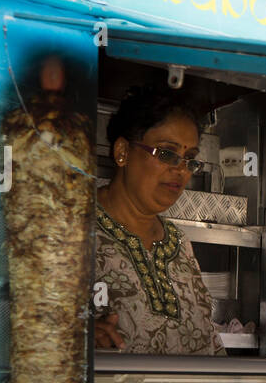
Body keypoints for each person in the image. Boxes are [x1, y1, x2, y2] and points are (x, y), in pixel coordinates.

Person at [94, 85, 224, 355]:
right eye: (166, 153)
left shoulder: (179, 244)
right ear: (122, 152)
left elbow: (210, 346)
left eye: (189, 159)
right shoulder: (71, 230)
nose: (180, 169)